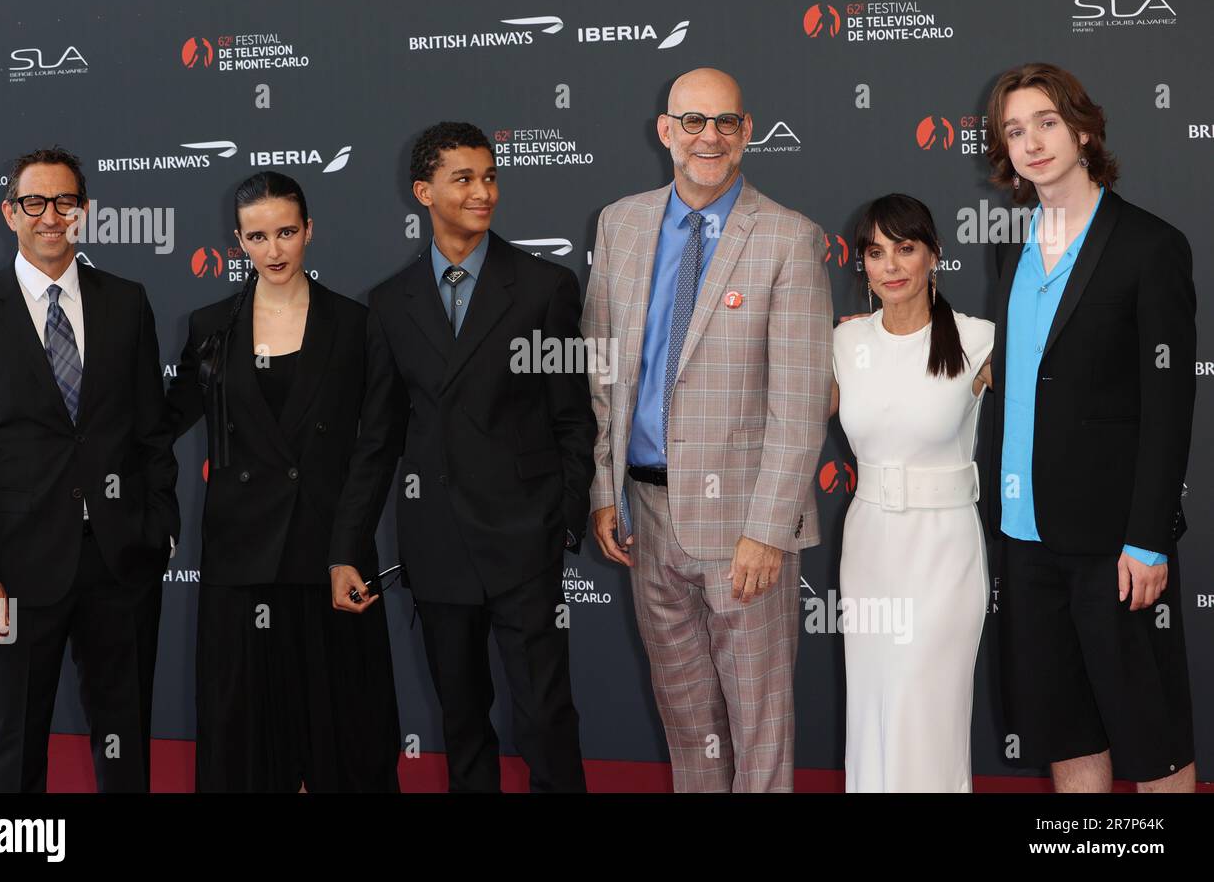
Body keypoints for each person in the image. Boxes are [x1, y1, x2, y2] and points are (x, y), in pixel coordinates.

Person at [583, 68, 832, 792]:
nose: (709, 137)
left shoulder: (790, 238)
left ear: (747, 132)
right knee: (688, 722)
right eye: (693, 122)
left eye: (725, 123)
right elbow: (603, 373)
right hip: (645, 516)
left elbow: (800, 401)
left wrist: (769, 528)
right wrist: (606, 490)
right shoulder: (620, 223)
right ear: (665, 131)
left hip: (743, 528)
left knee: (759, 732)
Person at [333, 123, 596, 792]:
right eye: (464, 179)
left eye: (490, 177)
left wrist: (561, 521)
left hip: (522, 539)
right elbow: (379, 437)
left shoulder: (544, 287)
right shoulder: (391, 303)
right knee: (461, 717)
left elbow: (573, 416)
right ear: (423, 191)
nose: (483, 192)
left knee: (544, 714)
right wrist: (346, 548)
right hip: (437, 540)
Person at [0, 146, 178, 791]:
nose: (51, 216)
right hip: (15, 570)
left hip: (120, 560)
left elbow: (151, 429)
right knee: (12, 740)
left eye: (65, 201)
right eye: (35, 202)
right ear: (10, 212)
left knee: (124, 735)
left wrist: (161, 527)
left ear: (85, 212)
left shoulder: (127, 302)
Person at [984, 62, 1196, 792]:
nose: (1032, 142)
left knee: (1150, 736)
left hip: (1114, 544)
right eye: (1015, 130)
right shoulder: (1012, 250)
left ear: (1082, 130)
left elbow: (1171, 409)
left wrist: (1147, 539)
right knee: (1064, 729)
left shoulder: (1148, 246)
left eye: (1046, 122)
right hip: (1025, 537)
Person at [164, 171, 400, 792]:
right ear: (238, 241)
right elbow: (158, 423)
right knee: (243, 728)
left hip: (329, 554)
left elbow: (375, 447)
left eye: (287, 232)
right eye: (258, 236)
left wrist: (347, 550)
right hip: (241, 560)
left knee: (343, 726)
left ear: (309, 232)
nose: (274, 250)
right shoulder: (210, 325)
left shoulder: (356, 325)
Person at [829, 194, 994, 792]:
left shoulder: (979, 340)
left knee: (928, 706)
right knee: (873, 700)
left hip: (945, 552)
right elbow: (787, 425)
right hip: (871, 546)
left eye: (906, 247)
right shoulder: (843, 344)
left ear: (934, 255)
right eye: (876, 252)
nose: (891, 265)